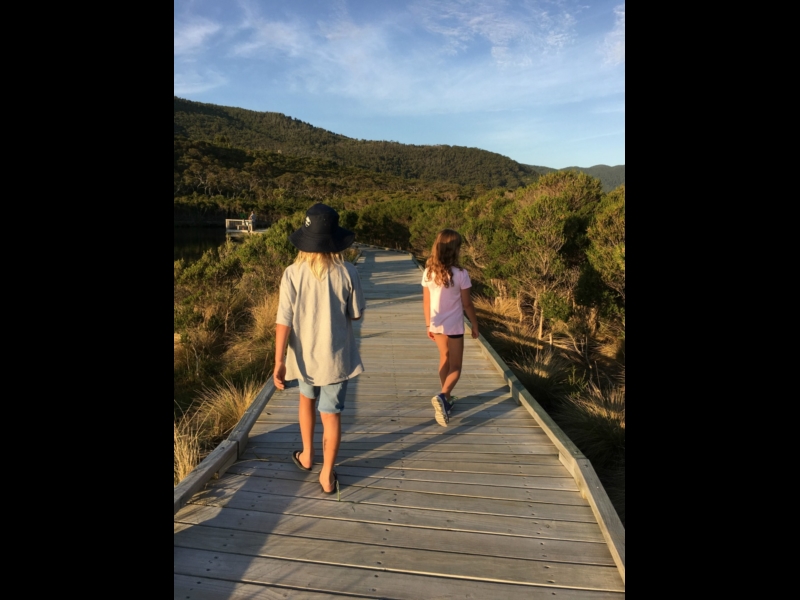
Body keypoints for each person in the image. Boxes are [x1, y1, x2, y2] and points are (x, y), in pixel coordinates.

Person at [274, 203, 365, 495]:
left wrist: (279, 362)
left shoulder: (292, 273)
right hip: (336, 359)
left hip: (303, 359)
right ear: (335, 240)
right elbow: (356, 314)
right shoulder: (347, 271)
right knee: (332, 415)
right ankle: (327, 475)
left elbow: (283, 321)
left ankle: (307, 455)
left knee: (305, 401)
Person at [421, 229, 479, 427]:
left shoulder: (429, 271)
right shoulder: (461, 274)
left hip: (436, 325)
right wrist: (475, 324)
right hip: (454, 326)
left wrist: (429, 324)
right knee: (456, 366)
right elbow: (467, 304)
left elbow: (426, 301)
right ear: (456, 249)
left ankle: (446, 396)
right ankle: (444, 396)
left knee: (444, 358)